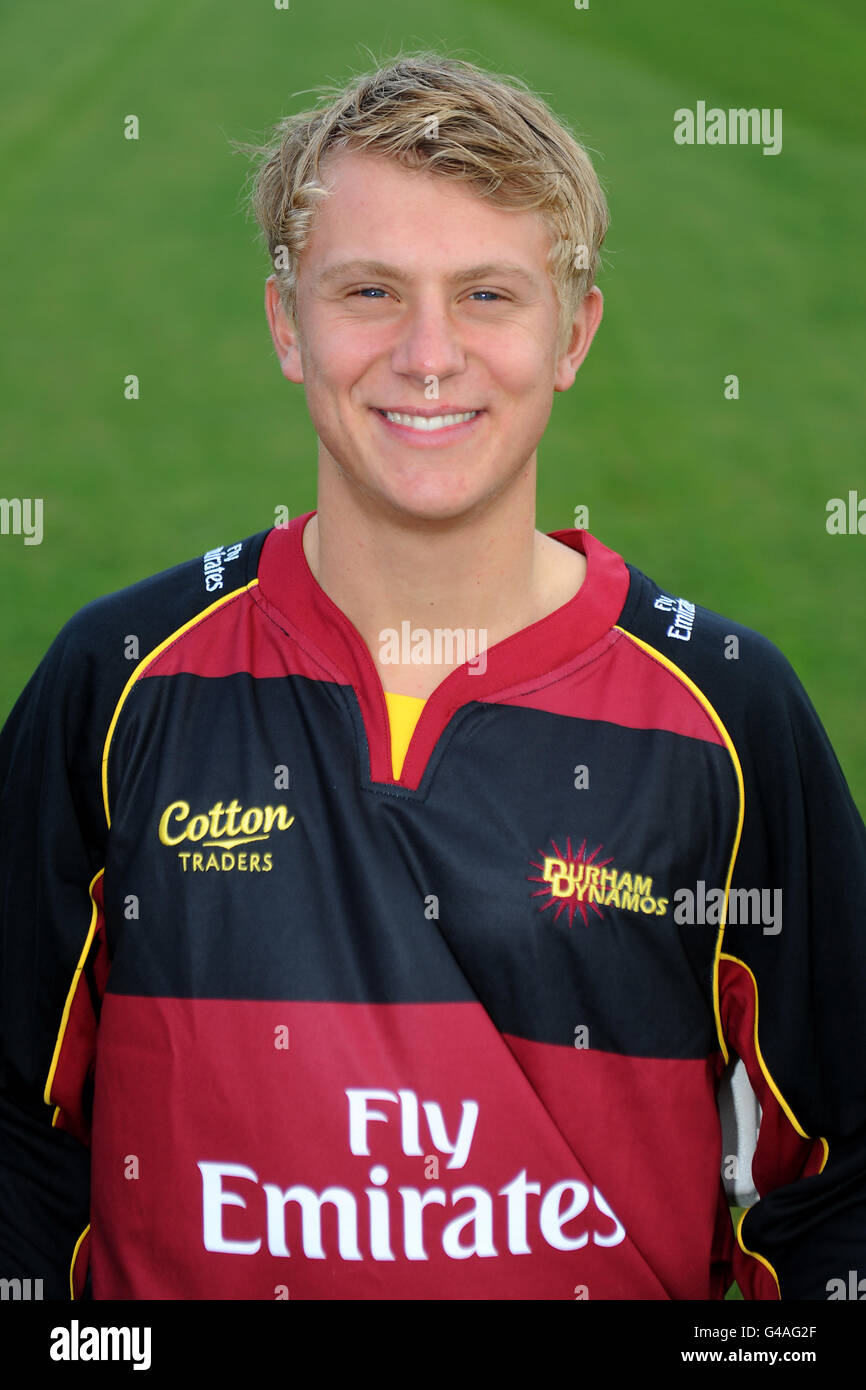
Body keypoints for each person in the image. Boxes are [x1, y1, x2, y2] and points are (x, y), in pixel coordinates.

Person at [1, 50, 864, 1302]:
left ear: (571, 334)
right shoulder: (120, 681)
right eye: (366, 291)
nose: (424, 355)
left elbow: (835, 1172)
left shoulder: (726, 712)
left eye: (485, 296)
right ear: (284, 324)